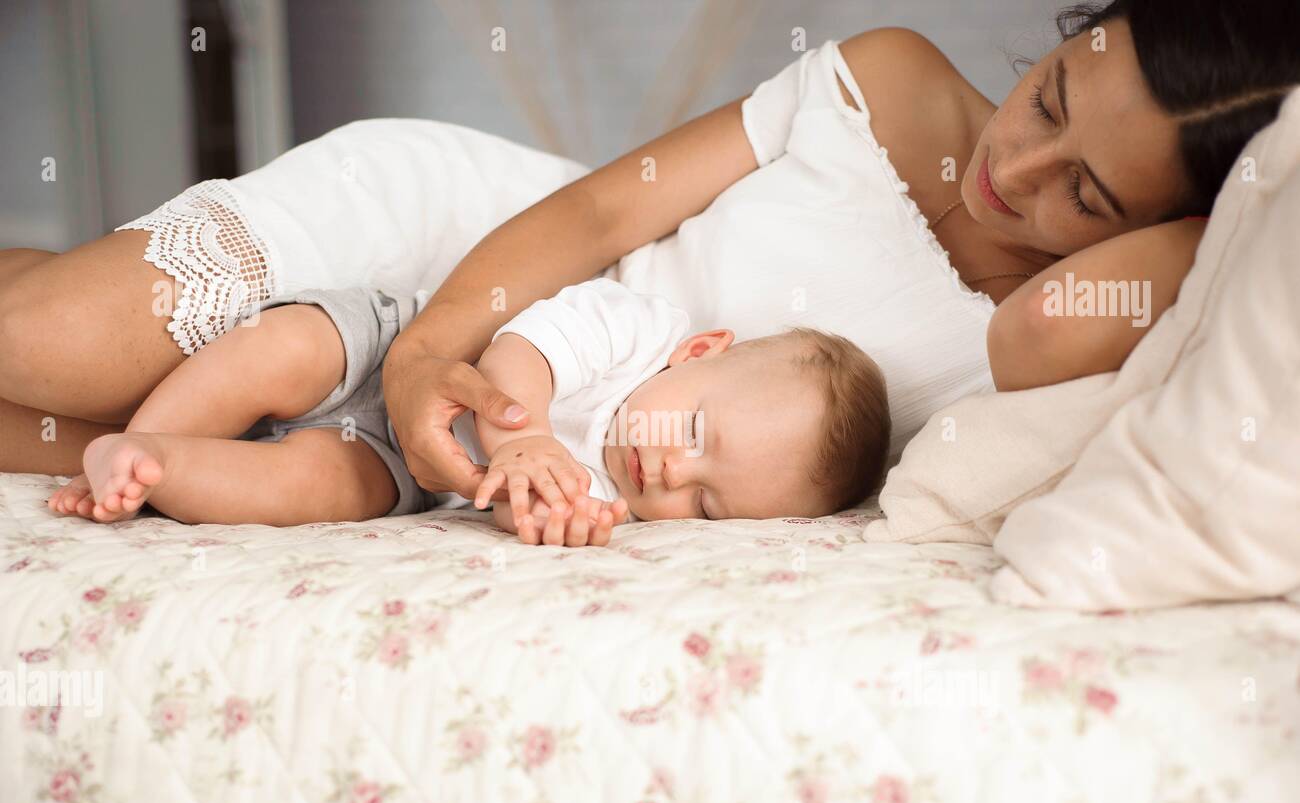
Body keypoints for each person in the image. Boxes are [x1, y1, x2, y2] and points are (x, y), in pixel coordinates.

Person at [3, 1, 1297, 502]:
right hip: (482, 247)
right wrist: (433, 354)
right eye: (1054, 95)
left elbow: (1034, 328)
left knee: (76, 434)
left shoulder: (1072, 323)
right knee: (57, 348)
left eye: (1085, 188)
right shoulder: (893, 82)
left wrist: (1241, 179)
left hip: (527, 407)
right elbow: (605, 216)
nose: (1015, 171)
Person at [45, 278, 889, 546]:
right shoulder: (634, 330)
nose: (672, 472)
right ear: (699, 353)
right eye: (697, 434)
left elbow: (529, 511)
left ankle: (150, 468)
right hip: (390, 355)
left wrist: (555, 517)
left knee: (315, 485)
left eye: (705, 502)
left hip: (406, 468)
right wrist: (522, 438)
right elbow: (522, 350)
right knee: (285, 351)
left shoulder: (620, 502)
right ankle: (149, 425)